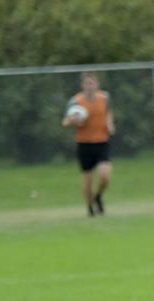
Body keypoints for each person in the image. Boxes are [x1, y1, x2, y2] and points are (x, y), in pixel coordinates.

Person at [62, 72, 114, 217]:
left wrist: (110, 124)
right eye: (87, 83)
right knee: (88, 181)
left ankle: (98, 197)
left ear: (97, 84)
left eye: (92, 83)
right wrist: (73, 120)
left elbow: (108, 112)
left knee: (105, 176)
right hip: (84, 144)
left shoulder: (104, 98)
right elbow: (65, 122)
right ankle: (90, 209)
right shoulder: (76, 102)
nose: (90, 86)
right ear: (82, 85)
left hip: (102, 142)